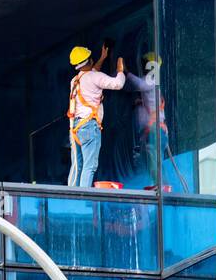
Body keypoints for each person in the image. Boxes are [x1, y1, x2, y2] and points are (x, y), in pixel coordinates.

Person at [67, 44, 125, 188]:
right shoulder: (94, 77)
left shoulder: (75, 80)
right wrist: (120, 71)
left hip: (76, 128)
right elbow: (118, 84)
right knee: (89, 166)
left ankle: (70, 195)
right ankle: (84, 197)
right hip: (89, 127)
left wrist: (102, 58)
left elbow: (91, 73)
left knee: (77, 166)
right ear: (89, 60)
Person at [124, 52, 167, 189]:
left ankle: (160, 185)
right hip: (154, 128)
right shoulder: (151, 80)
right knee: (151, 158)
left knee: (152, 156)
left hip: (156, 128)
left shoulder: (152, 79)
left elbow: (139, 84)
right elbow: (130, 86)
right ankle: (158, 184)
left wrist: (125, 71)